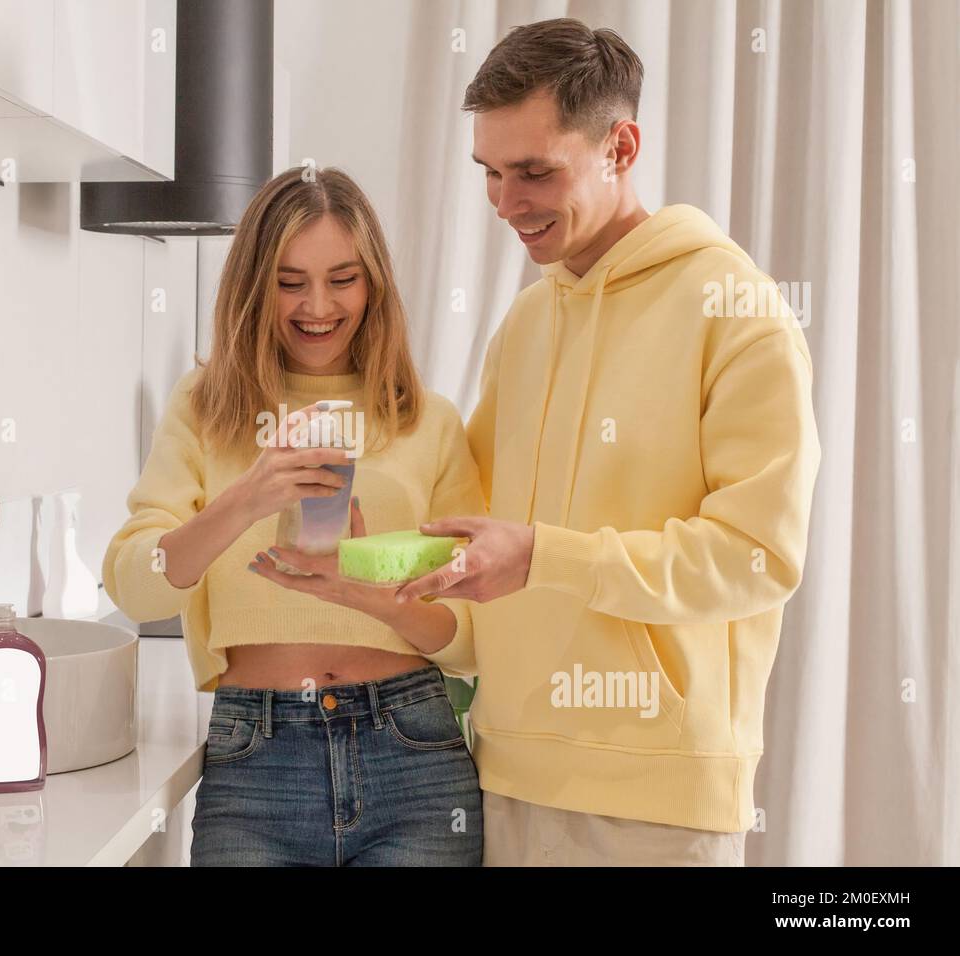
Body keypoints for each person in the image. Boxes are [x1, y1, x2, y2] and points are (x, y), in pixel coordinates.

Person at [396, 18, 822, 866]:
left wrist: (547, 558)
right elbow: (482, 568)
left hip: (655, 808)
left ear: (620, 147)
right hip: (507, 778)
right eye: (489, 172)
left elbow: (756, 558)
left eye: (534, 171)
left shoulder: (736, 309)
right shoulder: (524, 324)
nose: (507, 203)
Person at [102, 166, 486, 866]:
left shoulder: (428, 420)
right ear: (253, 286)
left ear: (375, 284)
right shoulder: (205, 406)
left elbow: (473, 636)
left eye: (343, 278)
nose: (318, 306)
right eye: (289, 281)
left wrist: (378, 596)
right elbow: (135, 582)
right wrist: (248, 497)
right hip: (257, 760)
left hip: (413, 754)